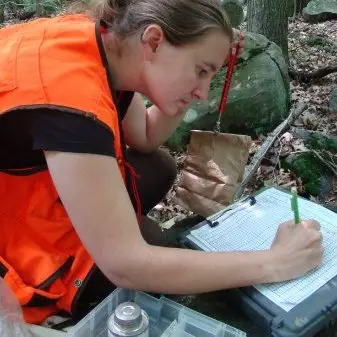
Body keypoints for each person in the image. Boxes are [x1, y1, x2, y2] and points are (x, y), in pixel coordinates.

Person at [0, 0, 323, 326]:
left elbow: (145, 135)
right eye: (200, 71)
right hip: (10, 239)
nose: (203, 92)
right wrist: (276, 262)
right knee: (149, 245)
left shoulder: (102, 44)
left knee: (158, 168)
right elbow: (126, 265)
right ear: (153, 41)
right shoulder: (70, 100)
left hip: (20, 187)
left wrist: (197, 67)